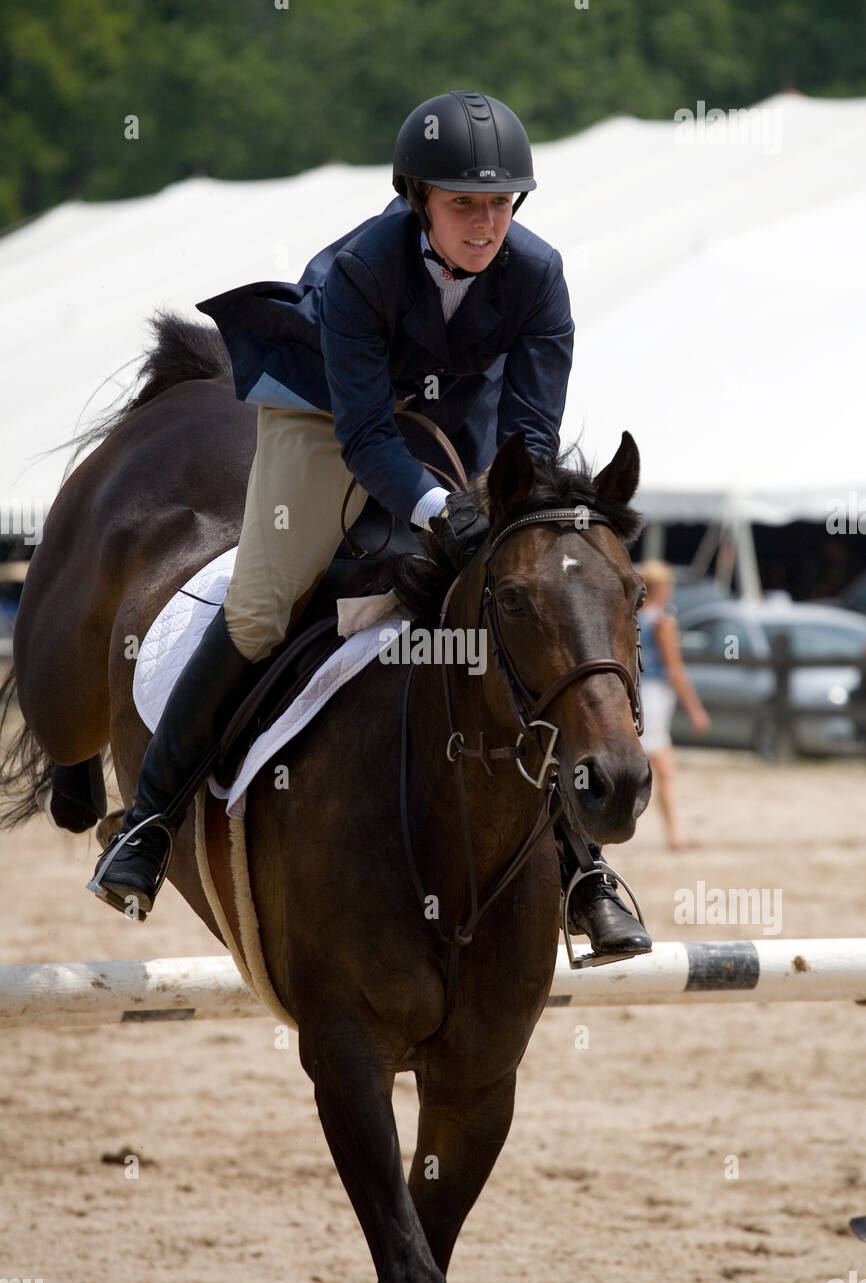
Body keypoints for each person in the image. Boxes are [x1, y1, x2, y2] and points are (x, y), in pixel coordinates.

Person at [88, 89, 650, 958]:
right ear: (417, 198)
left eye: (500, 203)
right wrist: (435, 513)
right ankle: (151, 822)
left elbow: (529, 433)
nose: (484, 222)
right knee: (264, 606)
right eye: (463, 202)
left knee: (508, 618)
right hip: (328, 420)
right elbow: (363, 435)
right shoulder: (361, 268)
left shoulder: (539, 274)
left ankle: (581, 869)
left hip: (459, 421)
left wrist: (500, 519)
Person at [636, 559, 710, 849]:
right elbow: (675, 668)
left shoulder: (631, 616)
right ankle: (674, 833)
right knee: (661, 764)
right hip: (654, 694)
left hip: (637, 691)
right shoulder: (663, 621)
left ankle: (673, 831)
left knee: (653, 762)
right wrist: (695, 709)